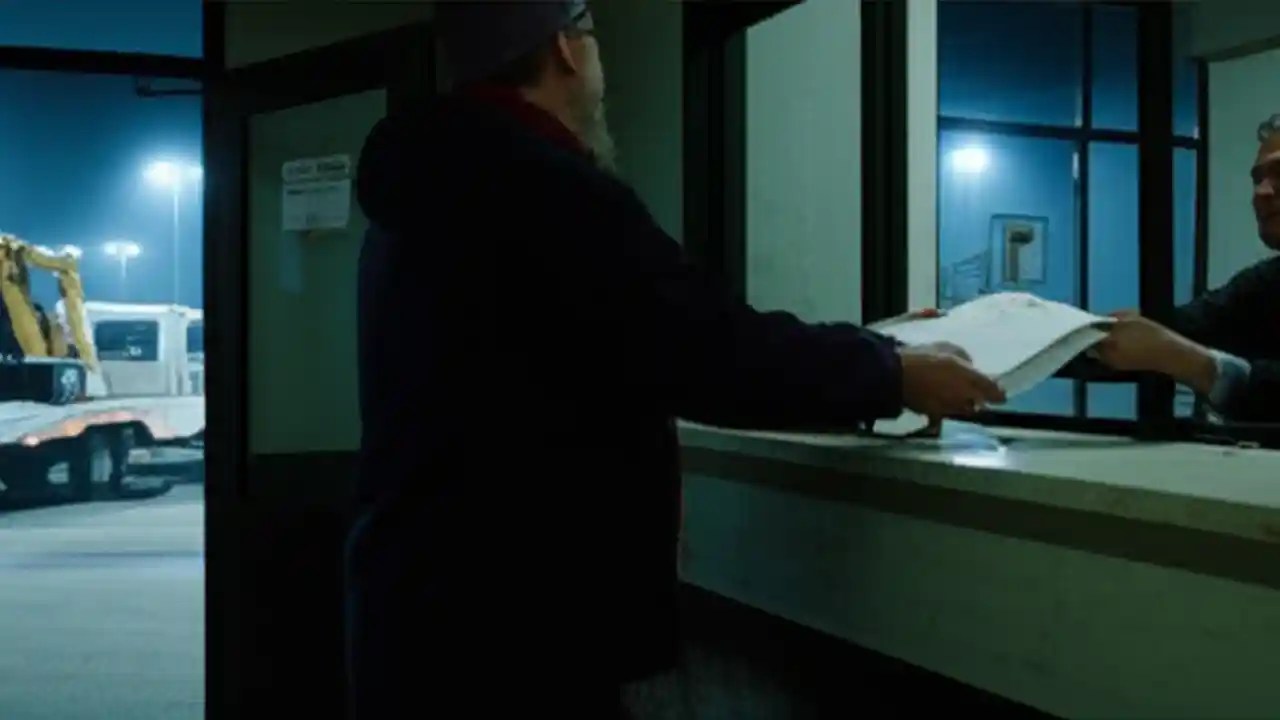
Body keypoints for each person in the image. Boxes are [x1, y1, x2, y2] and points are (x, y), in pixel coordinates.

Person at [345, 2, 1004, 716]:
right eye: (593, 41)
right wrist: (891, 371)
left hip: (421, 606)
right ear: (567, 49)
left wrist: (874, 348)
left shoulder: (426, 193)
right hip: (512, 629)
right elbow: (703, 346)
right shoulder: (541, 187)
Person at [1096, 113, 1280, 422]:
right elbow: (1169, 327)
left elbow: (1170, 345)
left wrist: (1193, 363)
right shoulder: (1265, 284)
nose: (1260, 192)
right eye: (1256, 179)